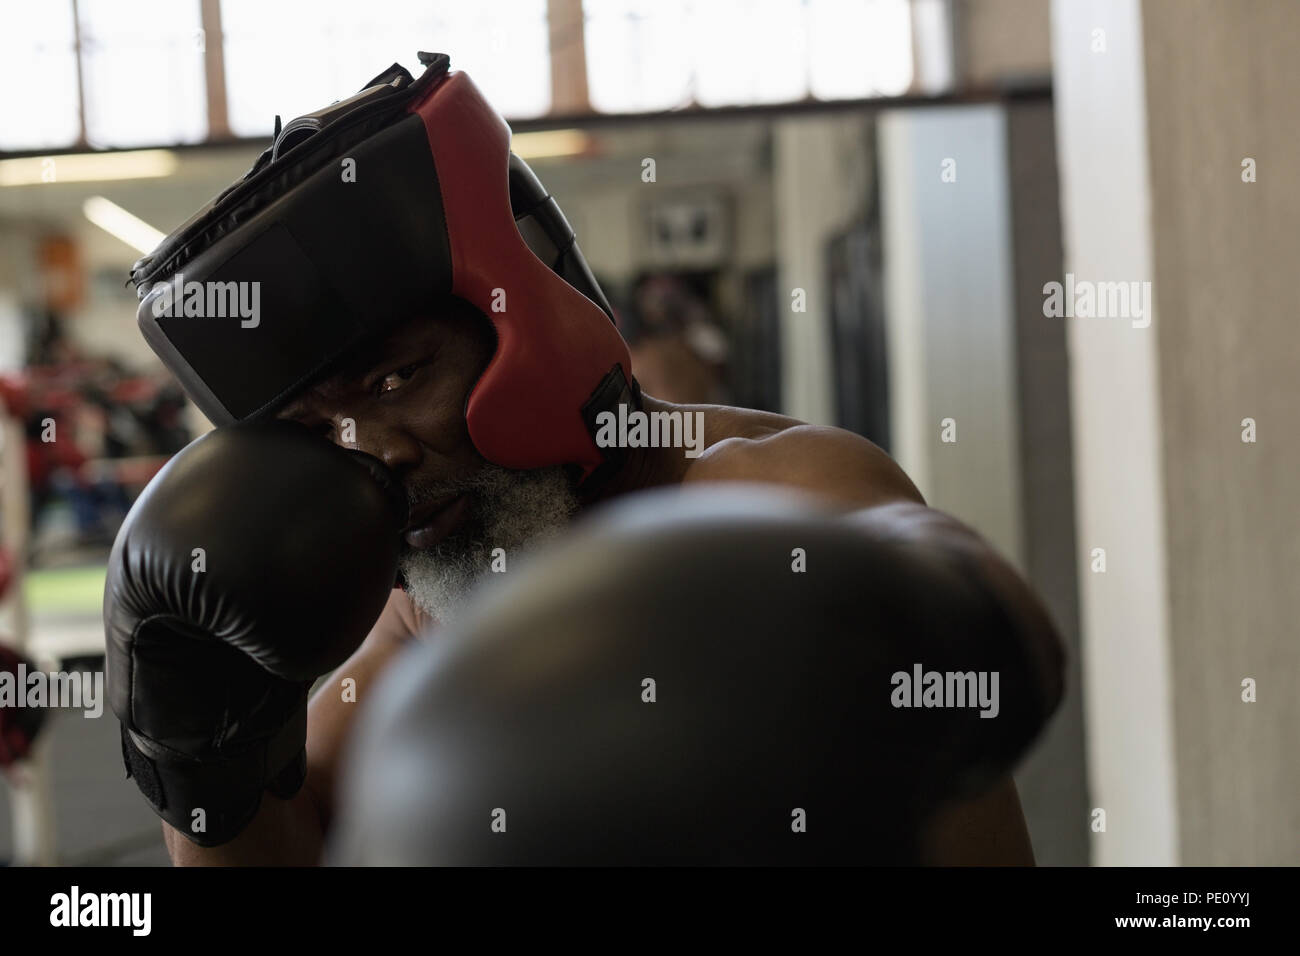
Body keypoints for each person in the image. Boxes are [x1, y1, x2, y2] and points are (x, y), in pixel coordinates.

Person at [105, 52, 1064, 866]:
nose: (378, 454)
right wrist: (202, 750)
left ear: (521, 311)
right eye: (315, 431)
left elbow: (962, 604)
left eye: (397, 381)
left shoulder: (767, 487)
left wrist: (923, 615)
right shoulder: (419, 613)